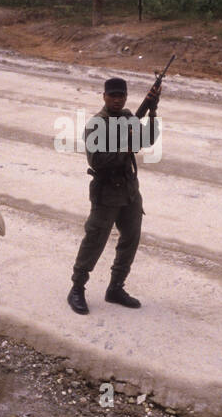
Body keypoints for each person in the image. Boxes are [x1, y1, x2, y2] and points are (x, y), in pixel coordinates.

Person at [67, 77, 160, 314]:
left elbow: (148, 140)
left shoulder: (129, 117)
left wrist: (152, 110)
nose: (117, 100)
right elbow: (97, 160)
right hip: (106, 191)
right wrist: (125, 144)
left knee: (130, 238)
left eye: (122, 95)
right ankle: (77, 288)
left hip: (129, 189)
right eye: (113, 95)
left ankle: (116, 287)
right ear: (104, 96)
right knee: (95, 239)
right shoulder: (96, 124)